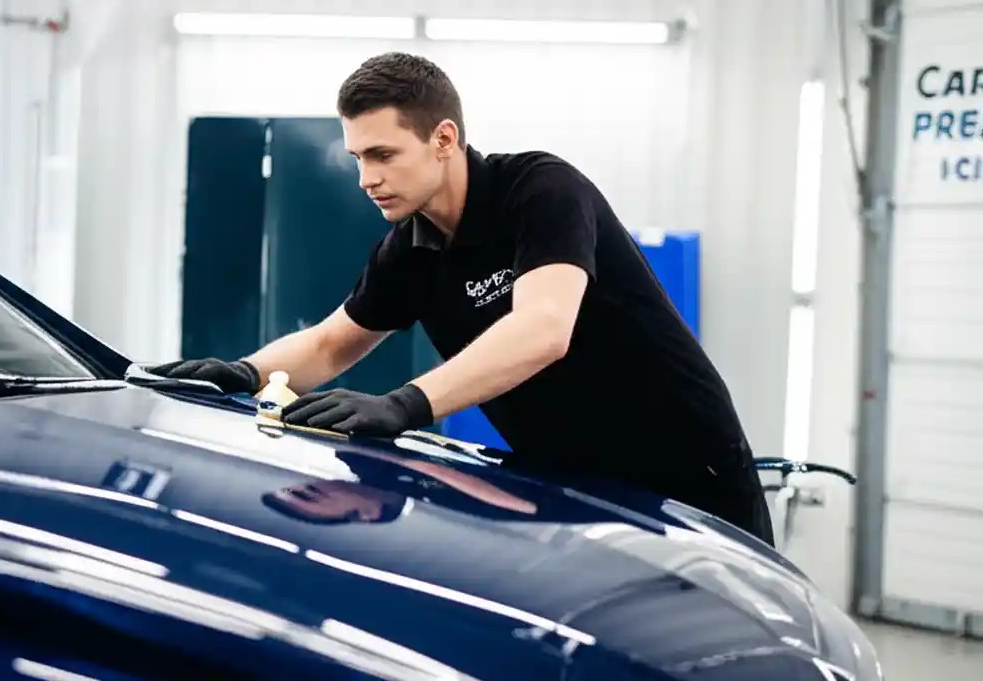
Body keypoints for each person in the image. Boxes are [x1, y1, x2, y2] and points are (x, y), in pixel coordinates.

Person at [150, 52, 774, 546]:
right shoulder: (411, 249)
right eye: (358, 158)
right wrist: (246, 373)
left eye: (383, 155)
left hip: (688, 478)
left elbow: (543, 329)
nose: (367, 178)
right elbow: (331, 342)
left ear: (443, 138)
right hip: (571, 484)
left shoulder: (540, 191)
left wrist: (404, 404)